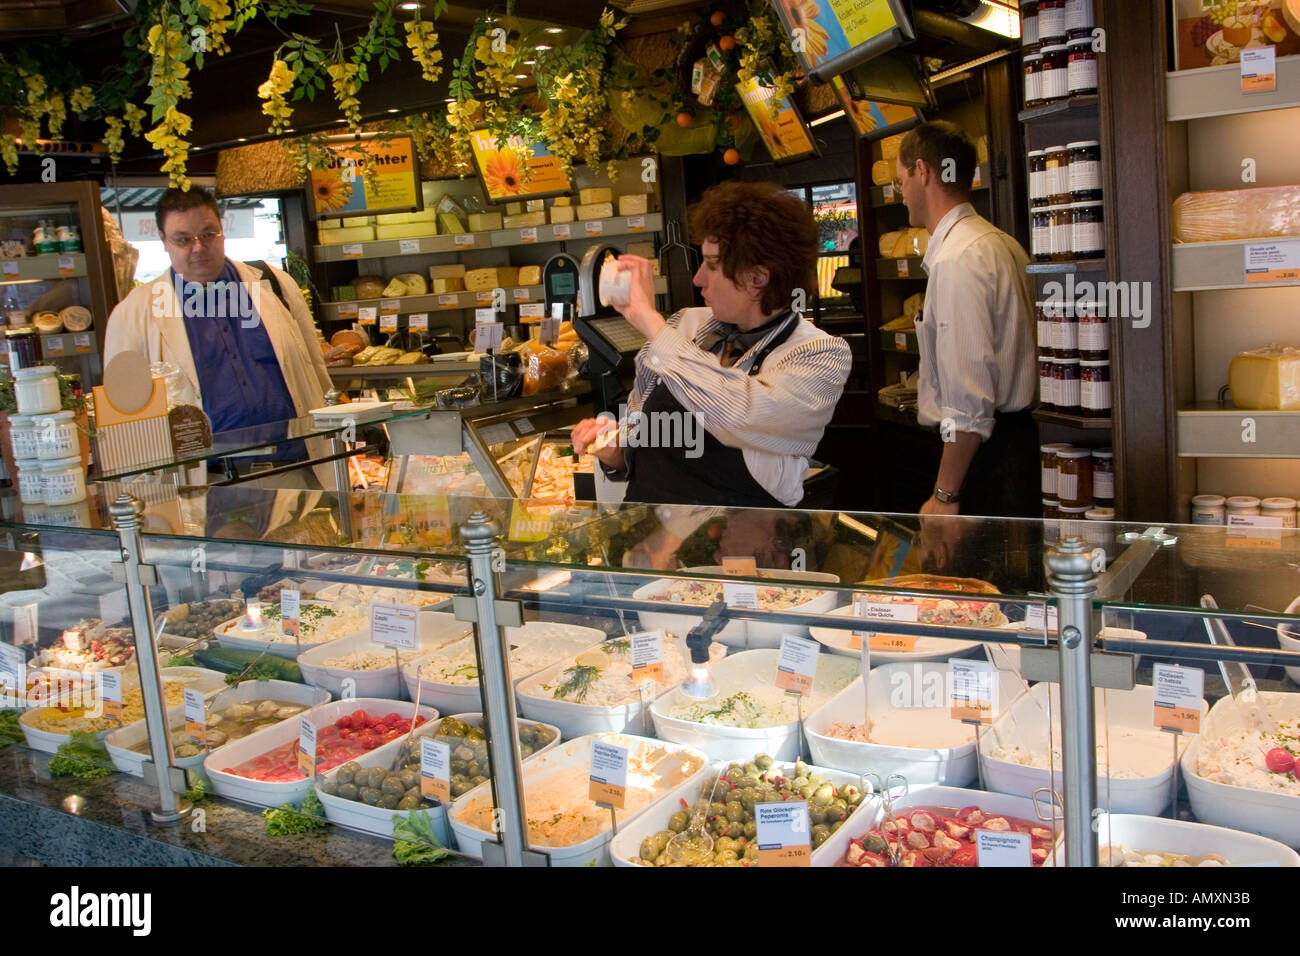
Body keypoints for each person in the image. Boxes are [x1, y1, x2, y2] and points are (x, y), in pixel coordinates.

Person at [570, 180, 852, 508]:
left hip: (744, 537)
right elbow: (638, 440)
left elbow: (739, 416)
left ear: (757, 279)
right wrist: (615, 449)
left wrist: (650, 323)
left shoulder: (819, 354)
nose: (698, 278)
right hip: (652, 533)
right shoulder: (684, 325)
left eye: (712, 265)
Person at [104, 187, 333, 484]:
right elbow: (124, 421)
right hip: (208, 483)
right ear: (164, 241)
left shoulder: (275, 284)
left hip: (299, 470)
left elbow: (316, 371)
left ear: (222, 231)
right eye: (183, 239)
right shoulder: (132, 314)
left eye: (208, 234)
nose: (198, 248)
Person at [893, 121, 1039, 574]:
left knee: (977, 594)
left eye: (900, 180)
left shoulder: (958, 258)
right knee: (1015, 589)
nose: (901, 194)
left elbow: (969, 404)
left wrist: (945, 495)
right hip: (1015, 446)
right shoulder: (1002, 244)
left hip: (983, 461)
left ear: (922, 171)